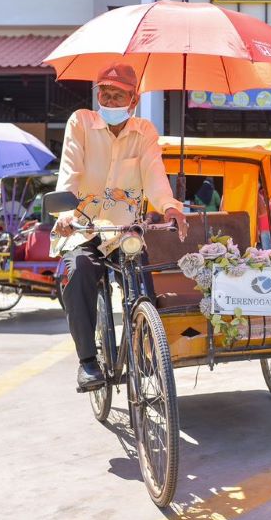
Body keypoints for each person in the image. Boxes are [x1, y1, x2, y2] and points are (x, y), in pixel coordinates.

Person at [52, 63, 189, 392]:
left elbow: (155, 175)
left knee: (142, 281)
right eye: (105, 93)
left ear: (134, 98)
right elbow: (70, 168)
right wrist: (65, 212)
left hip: (124, 230)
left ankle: (145, 345)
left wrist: (170, 206)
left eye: (118, 95)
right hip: (83, 227)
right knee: (78, 270)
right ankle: (87, 362)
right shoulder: (81, 122)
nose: (110, 100)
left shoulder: (144, 132)